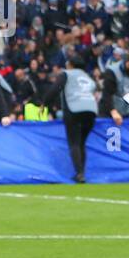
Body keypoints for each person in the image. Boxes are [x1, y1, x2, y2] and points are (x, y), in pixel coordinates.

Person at [46, 49, 99, 182]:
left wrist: (45, 103)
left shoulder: (66, 74)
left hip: (74, 109)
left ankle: (79, 173)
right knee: (82, 143)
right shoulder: (88, 77)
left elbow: (55, 89)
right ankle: (82, 172)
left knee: (74, 142)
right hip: (91, 110)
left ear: (70, 65)